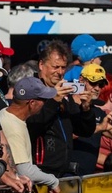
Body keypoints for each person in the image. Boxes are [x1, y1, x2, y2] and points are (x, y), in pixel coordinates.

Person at [26, 41, 99, 178]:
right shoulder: (30, 89)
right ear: (41, 65)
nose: (60, 72)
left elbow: (85, 131)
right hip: (40, 172)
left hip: (64, 173)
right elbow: (32, 125)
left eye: (63, 68)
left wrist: (86, 109)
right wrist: (54, 101)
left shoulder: (64, 92)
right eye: (55, 67)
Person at [0, 76, 60, 193]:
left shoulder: (6, 113)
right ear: (32, 103)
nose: (45, 103)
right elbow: (25, 171)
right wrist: (53, 181)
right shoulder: (13, 127)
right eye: (44, 100)